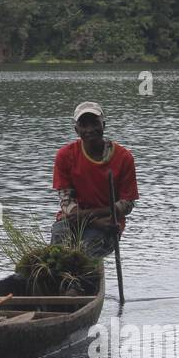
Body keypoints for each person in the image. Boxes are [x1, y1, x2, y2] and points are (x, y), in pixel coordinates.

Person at [51, 101, 138, 257]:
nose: (89, 130)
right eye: (84, 125)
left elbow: (127, 204)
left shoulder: (124, 157)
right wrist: (91, 220)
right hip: (72, 221)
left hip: (109, 224)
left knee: (85, 253)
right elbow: (66, 201)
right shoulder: (65, 156)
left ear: (103, 125)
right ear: (76, 130)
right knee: (57, 252)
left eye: (94, 124)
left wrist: (88, 216)